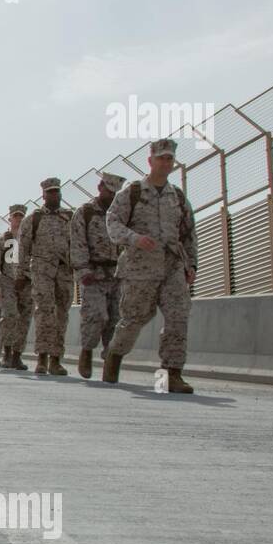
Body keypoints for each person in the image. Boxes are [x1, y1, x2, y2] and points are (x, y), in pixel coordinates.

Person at [102, 139, 198, 392]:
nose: (166, 162)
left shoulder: (176, 196)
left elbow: (188, 233)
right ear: (150, 161)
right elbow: (112, 224)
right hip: (139, 269)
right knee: (134, 319)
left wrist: (192, 265)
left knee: (178, 316)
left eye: (170, 158)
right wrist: (134, 239)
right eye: (162, 158)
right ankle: (114, 354)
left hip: (171, 266)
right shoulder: (131, 193)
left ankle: (172, 374)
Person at [71, 173, 126, 378]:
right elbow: (77, 243)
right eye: (108, 190)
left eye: (114, 192)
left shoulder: (121, 213)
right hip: (92, 274)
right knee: (96, 316)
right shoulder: (85, 213)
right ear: (100, 187)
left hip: (117, 273)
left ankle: (109, 362)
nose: (110, 195)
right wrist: (83, 270)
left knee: (115, 319)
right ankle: (86, 352)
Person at [19, 178, 74, 375]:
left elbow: (79, 244)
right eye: (50, 192)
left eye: (57, 192)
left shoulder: (69, 217)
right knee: (44, 312)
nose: (54, 195)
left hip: (65, 271)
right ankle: (42, 357)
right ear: (43, 195)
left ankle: (56, 360)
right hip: (41, 271)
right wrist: (21, 274)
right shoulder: (33, 219)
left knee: (62, 315)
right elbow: (23, 250)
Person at [0, 204, 33, 371]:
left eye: (22, 216)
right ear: (10, 218)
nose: (19, 219)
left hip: (27, 283)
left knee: (24, 319)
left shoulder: (30, 239)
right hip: (8, 283)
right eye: (16, 216)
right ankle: (7, 351)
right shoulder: (1, 242)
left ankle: (17, 355)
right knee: (10, 316)